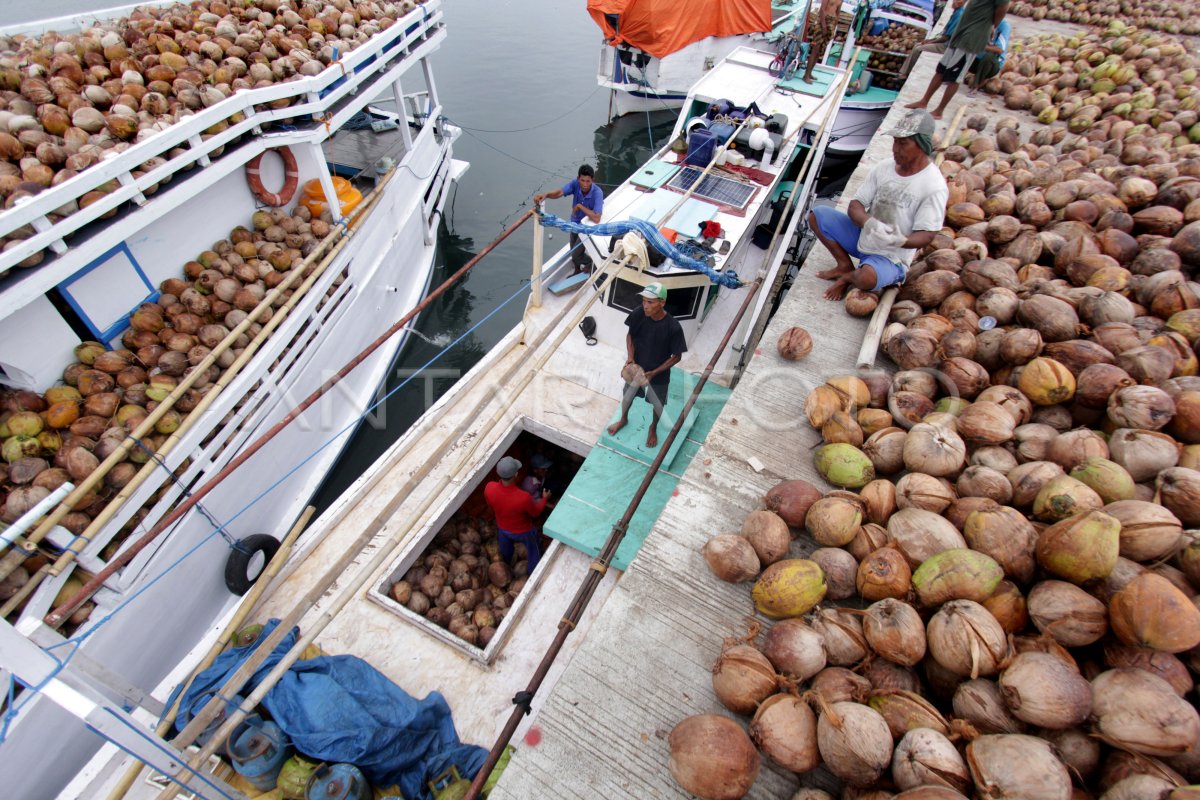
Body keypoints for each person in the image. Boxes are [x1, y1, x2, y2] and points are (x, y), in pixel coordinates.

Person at [811, 109, 949, 301]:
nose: (895, 149)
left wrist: (899, 240)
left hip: (891, 257)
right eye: (895, 141)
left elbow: (927, 235)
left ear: (921, 146)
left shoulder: (934, 186)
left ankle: (848, 277)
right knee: (817, 215)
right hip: (864, 238)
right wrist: (868, 223)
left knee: (866, 278)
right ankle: (844, 265)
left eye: (903, 143)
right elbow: (855, 205)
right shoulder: (884, 167)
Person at [606, 282, 687, 449]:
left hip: (658, 375)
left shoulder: (673, 327)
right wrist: (630, 359)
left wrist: (653, 373)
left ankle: (653, 427)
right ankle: (623, 419)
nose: (645, 305)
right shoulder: (638, 314)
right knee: (627, 397)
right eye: (644, 301)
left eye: (650, 302)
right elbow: (630, 335)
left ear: (662, 302)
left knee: (658, 404)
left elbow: (676, 357)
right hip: (635, 370)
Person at [905, 0, 1010, 119]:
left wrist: (993, 25)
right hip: (961, 31)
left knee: (955, 76)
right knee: (941, 69)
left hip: (972, 37)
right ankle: (924, 101)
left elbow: (1003, 8)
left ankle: (939, 111)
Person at [533, 164, 604, 275]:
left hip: (586, 228)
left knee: (576, 255)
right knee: (572, 250)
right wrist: (546, 195)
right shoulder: (575, 184)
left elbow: (597, 218)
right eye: (582, 180)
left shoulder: (597, 193)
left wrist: (579, 206)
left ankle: (592, 263)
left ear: (592, 180)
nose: (585, 184)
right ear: (578, 179)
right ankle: (577, 270)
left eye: (588, 181)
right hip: (574, 223)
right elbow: (560, 192)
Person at [484, 456, 549, 573]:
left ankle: (507, 566)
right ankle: (533, 573)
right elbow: (535, 513)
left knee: (506, 551)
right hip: (524, 532)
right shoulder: (524, 497)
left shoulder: (489, 488)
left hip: (503, 529)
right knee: (534, 550)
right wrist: (544, 499)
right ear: (516, 475)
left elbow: (491, 506)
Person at [899, 0, 967, 78]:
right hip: (944, 42)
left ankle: (906, 74)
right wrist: (930, 40)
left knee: (918, 49)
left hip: (946, 46)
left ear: (964, 2)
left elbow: (946, 37)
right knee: (917, 45)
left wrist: (931, 42)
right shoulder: (956, 12)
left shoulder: (959, 15)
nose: (956, 2)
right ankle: (903, 72)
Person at [967, 15, 1011, 93]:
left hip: (991, 65)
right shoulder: (983, 20)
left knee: (989, 56)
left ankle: (975, 86)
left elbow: (999, 50)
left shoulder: (1004, 26)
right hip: (976, 60)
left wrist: (980, 46)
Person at [802, 0, 839, 84]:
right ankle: (806, 75)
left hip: (831, 22)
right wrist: (824, 26)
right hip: (822, 21)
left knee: (820, 51)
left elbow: (837, 13)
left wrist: (834, 28)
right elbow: (822, 9)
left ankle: (809, 73)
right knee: (815, 49)